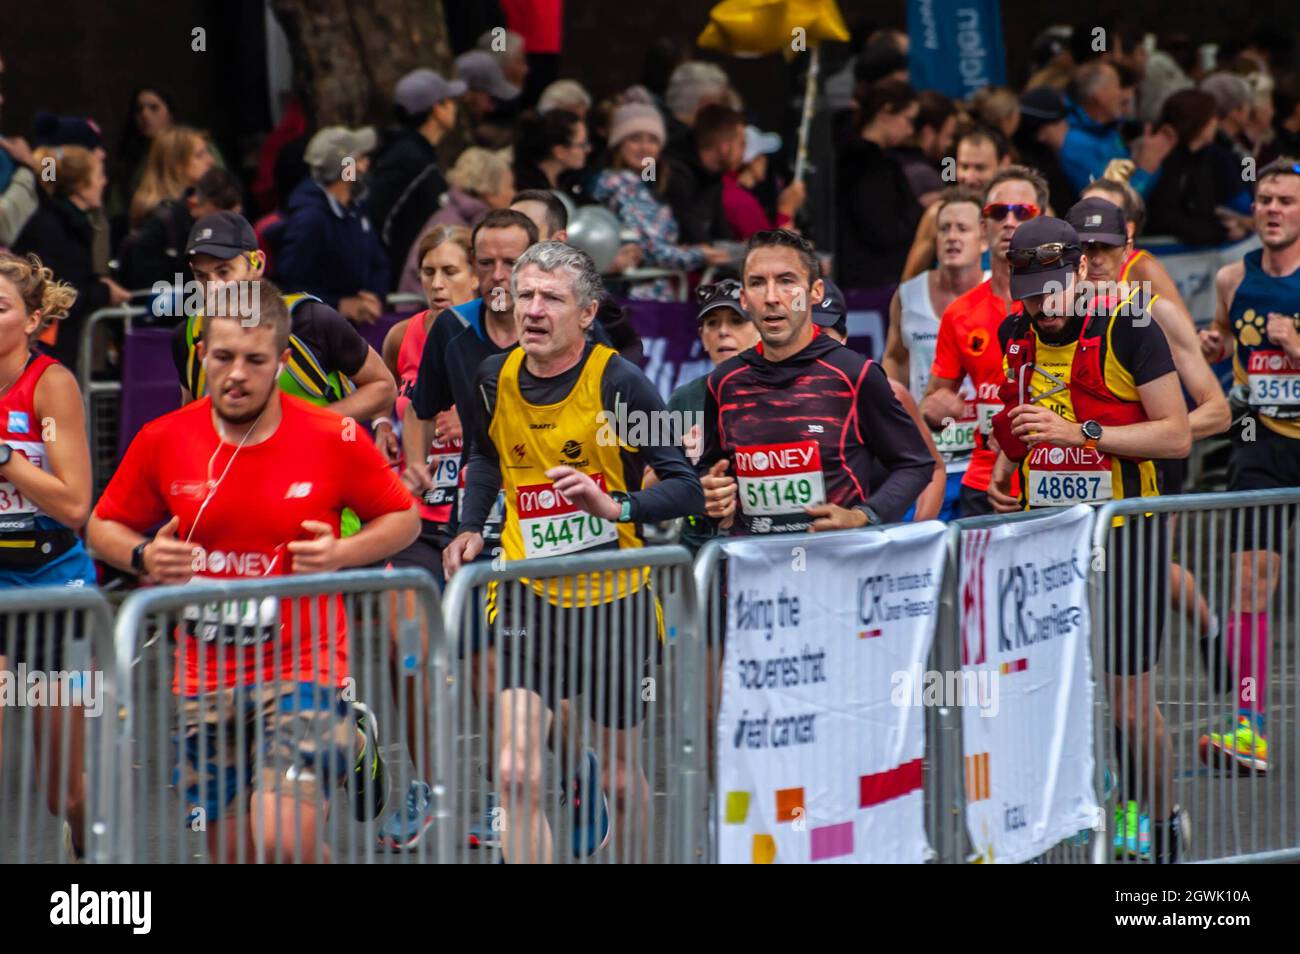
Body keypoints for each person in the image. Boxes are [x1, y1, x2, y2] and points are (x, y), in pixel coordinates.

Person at [88, 279, 419, 864]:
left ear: (282, 361)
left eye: (254, 360)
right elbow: (103, 527)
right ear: (202, 356)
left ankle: (348, 730)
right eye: (222, 357)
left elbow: (403, 518)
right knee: (237, 852)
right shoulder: (164, 439)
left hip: (307, 667)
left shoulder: (330, 436)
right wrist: (144, 556)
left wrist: (341, 553)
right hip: (204, 677)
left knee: (280, 837)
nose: (236, 373)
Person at [442, 241, 704, 863]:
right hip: (527, 600)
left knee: (616, 776)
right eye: (525, 294)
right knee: (514, 773)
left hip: (616, 603)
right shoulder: (493, 376)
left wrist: (617, 507)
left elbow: (684, 485)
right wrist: (470, 524)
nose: (532, 309)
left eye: (551, 298)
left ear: (586, 314)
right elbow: (485, 454)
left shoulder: (621, 383)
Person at [986, 216, 1192, 863]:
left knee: (1130, 705)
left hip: (1126, 534)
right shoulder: (1013, 331)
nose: (1044, 307)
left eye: (1055, 289)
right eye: (1032, 292)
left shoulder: (1130, 328)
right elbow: (1021, 419)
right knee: (1045, 694)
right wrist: (1004, 463)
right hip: (1045, 538)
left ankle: (1161, 823)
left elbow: (1177, 435)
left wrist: (1085, 436)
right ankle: (1070, 823)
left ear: (1079, 273)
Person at [698, 229, 934, 536]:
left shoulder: (854, 374)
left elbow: (916, 464)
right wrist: (710, 492)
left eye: (786, 281)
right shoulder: (723, 382)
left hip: (837, 567)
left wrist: (865, 516)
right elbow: (711, 471)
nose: (771, 298)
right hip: (752, 571)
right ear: (744, 298)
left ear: (815, 292)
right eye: (757, 283)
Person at [374, 223, 476, 851]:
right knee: (406, 653)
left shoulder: (498, 335)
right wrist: (388, 432)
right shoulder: (399, 336)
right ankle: (429, 788)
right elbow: (386, 399)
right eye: (428, 272)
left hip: (480, 523)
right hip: (415, 519)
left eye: (449, 272)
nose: (436, 285)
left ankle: (499, 783)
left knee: (486, 670)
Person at [1197, 157, 1300, 776]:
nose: (1272, 209)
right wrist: (1215, 345)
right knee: (1249, 581)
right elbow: (1222, 336)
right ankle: (1250, 724)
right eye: (1264, 199)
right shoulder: (1233, 277)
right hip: (1259, 438)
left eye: (1285, 200)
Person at [171, 213, 397, 476]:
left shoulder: (310, 320)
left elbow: (383, 385)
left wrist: (307, 427)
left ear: (257, 264)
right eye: (202, 277)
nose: (214, 289)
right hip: (244, 496)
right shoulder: (188, 336)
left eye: (224, 272)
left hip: (326, 496)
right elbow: (192, 416)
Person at [0, 253, 94, 861]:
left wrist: (6, 461)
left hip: (51, 587)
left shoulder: (50, 385)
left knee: (62, 791)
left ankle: (90, 854)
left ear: (33, 319)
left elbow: (76, 504)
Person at [921, 166, 1046, 517]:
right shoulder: (959, 313)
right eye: (997, 212)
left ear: (1044, 220)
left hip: (1053, 477)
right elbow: (934, 401)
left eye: (1022, 212)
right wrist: (935, 410)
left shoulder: (1062, 304)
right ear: (983, 226)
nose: (1009, 221)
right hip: (983, 483)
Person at [885, 187, 989, 520]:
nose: (951, 237)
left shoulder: (1001, 294)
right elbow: (895, 359)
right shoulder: (907, 295)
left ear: (983, 239)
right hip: (928, 459)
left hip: (982, 458)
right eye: (943, 229)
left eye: (962, 228)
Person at [814, 279, 946, 521]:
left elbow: (933, 468)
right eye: (806, 331)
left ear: (843, 337)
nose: (812, 342)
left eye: (822, 333)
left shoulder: (886, 390)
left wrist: (917, 534)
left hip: (873, 543)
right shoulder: (762, 394)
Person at [590, 102, 730, 301]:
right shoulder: (619, 183)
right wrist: (701, 254)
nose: (645, 147)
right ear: (618, 143)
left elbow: (655, 242)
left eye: (653, 140)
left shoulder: (649, 183)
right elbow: (652, 250)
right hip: (630, 301)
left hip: (652, 300)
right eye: (635, 138)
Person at [14, 145, 130, 371]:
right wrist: (103, 293)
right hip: (41, 350)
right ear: (80, 185)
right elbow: (57, 292)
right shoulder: (52, 228)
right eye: (99, 175)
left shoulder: (73, 225)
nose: (104, 182)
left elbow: (73, 276)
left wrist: (98, 283)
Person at [275, 126, 390, 322]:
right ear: (346, 170)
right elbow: (290, 286)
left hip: (364, 322)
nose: (366, 166)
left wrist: (374, 297)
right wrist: (339, 305)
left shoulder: (355, 208)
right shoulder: (309, 220)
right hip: (324, 330)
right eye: (360, 160)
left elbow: (379, 262)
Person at [369, 68, 466, 278]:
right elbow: (379, 220)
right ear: (437, 110)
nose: (455, 107)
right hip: (400, 281)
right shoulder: (410, 160)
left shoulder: (414, 153)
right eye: (449, 100)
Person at [835, 79, 922, 289]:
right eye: (908, 120)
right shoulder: (868, 164)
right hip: (874, 280)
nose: (910, 131)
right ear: (886, 110)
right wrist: (918, 214)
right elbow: (882, 228)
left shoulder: (856, 157)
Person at [396, 147, 514, 295]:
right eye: (509, 186)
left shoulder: (467, 217)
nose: (513, 193)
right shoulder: (451, 223)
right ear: (489, 190)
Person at [900, 125, 1011, 282]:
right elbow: (910, 283)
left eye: (980, 168)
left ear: (1003, 164)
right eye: (964, 166)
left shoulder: (1021, 213)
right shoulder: (938, 213)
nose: (969, 177)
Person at [1147, 89, 1253, 245]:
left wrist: (1232, 222)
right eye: (1213, 118)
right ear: (1200, 122)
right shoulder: (1168, 161)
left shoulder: (1205, 157)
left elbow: (1202, 207)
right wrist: (1221, 232)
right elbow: (1165, 216)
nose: (1216, 123)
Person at [117, 166, 242, 292]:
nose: (224, 229)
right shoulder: (162, 228)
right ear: (194, 204)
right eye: (218, 220)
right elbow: (143, 287)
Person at [1062, 61, 1174, 199]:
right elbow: (1110, 201)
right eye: (1118, 86)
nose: (1124, 95)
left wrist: (1140, 157)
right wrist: (1146, 169)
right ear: (1100, 95)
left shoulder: (1109, 130)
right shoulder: (1076, 143)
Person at [663, 103, 746, 245]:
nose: (744, 153)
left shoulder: (713, 176)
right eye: (742, 144)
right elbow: (691, 232)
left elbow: (720, 230)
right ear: (724, 147)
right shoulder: (675, 173)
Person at [722, 126, 806, 240]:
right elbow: (767, 251)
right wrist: (786, 211)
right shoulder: (740, 201)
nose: (765, 160)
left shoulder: (729, 190)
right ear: (752, 161)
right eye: (761, 155)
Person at [109, 85, 177, 220]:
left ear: (170, 113)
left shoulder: (192, 148)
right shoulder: (131, 159)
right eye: (139, 109)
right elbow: (115, 211)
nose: (145, 115)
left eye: (154, 108)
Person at [128, 126, 215, 229]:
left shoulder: (196, 204)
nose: (211, 160)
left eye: (207, 152)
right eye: (200, 155)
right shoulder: (160, 216)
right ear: (177, 164)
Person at [1014, 86, 1078, 216]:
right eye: (1059, 121)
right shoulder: (1035, 169)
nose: (1066, 126)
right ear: (1042, 132)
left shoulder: (1050, 158)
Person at [890, 90, 957, 208]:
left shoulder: (887, 160)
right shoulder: (925, 176)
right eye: (948, 135)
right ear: (928, 132)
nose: (949, 143)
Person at [512, 109, 589, 193]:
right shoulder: (528, 189)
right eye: (582, 145)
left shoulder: (569, 182)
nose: (588, 149)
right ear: (559, 151)